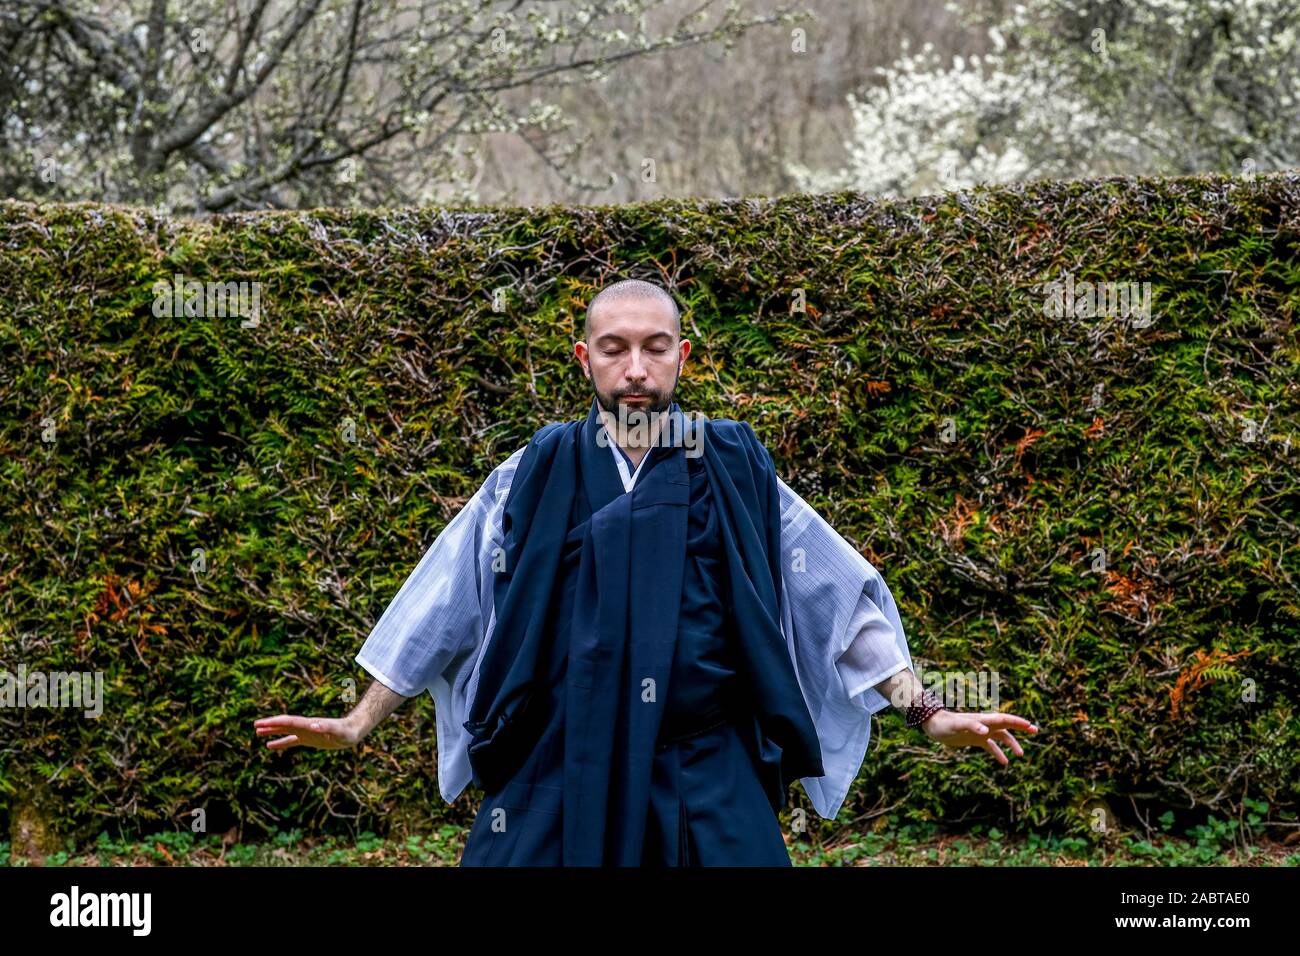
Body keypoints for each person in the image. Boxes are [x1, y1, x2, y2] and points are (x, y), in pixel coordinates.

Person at [254, 279, 1038, 865]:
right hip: (558, 761)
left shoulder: (734, 465)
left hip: (705, 763)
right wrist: (359, 722)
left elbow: (838, 604)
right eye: (614, 347)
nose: (635, 366)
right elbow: (445, 602)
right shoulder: (538, 469)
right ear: (584, 358)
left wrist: (930, 712)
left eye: (654, 346)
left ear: (681, 356)